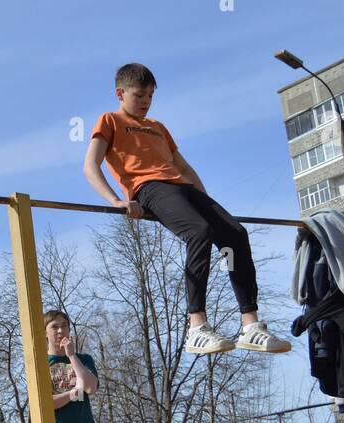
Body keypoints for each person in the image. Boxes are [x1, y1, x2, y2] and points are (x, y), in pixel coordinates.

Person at [83, 63, 291, 356]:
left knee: (235, 233)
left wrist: (208, 204)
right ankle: (196, 327)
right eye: (139, 95)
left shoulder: (158, 128)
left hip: (184, 189)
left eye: (151, 97)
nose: (145, 102)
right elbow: (90, 165)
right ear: (120, 92)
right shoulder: (109, 120)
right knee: (199, 232)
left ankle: (250, 326)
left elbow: (183, 167)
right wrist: (116, 200)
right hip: (149, 189)